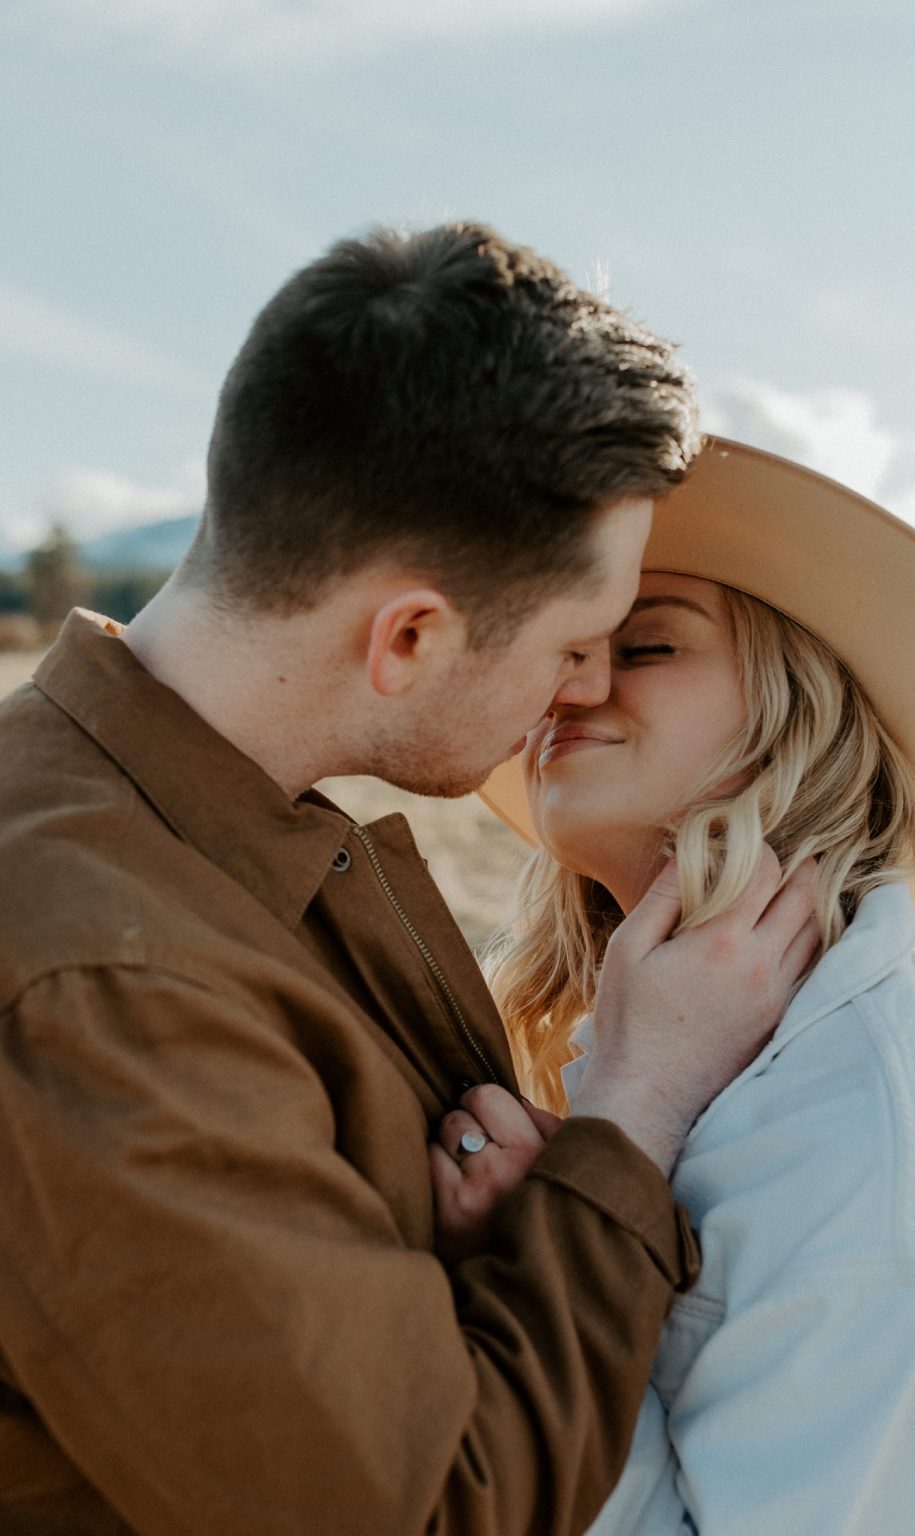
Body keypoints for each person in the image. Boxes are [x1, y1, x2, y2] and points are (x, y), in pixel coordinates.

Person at [0, 231, 819, 1536]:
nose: (588, 689)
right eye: (572, 643)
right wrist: (633, 1113)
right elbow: (428, 1511)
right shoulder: (103, 980)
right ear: (412, 637)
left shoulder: (194, 838)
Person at [470, 437, 915, 1535]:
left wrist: (533, 1281)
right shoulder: (694, 1052)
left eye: (649, 643)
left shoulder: (876, 1189)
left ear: (797, 716)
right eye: (567, 646)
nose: (571, 683)